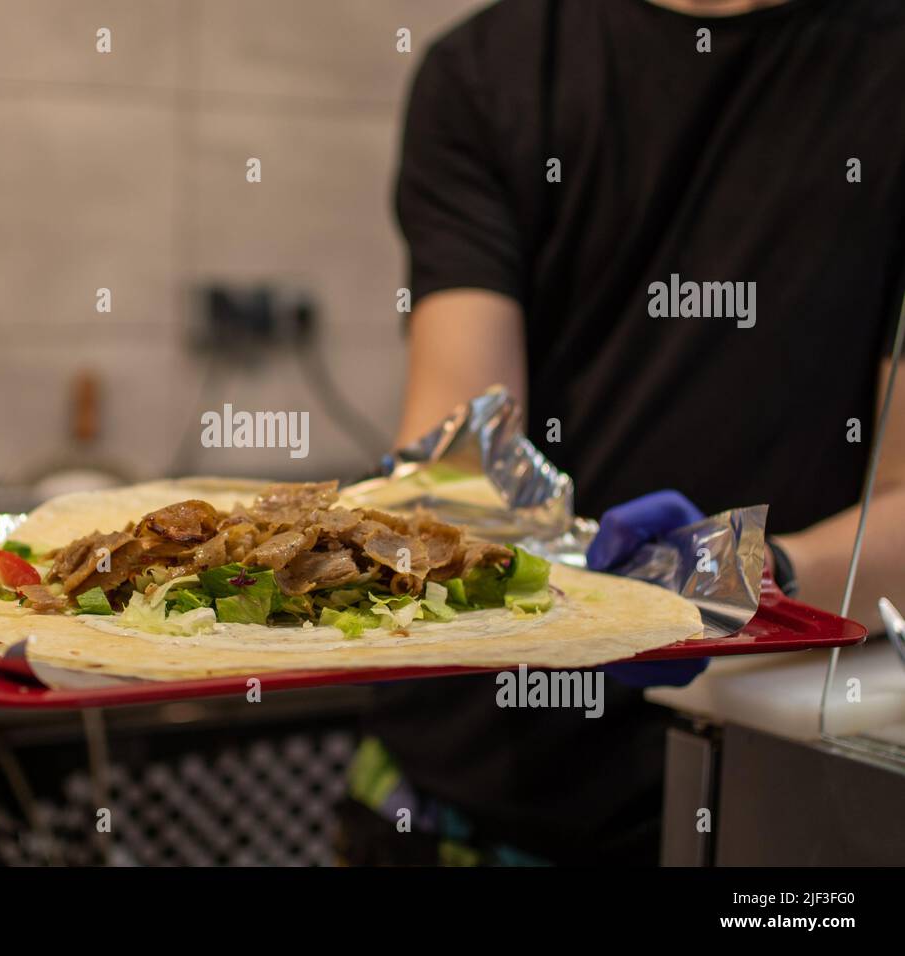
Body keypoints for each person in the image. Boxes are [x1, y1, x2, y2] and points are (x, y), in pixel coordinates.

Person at [338, 0, 905, 865]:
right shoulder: (493, 69)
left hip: (743, 798)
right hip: (457, 799)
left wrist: (746, 578)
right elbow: (460, 456)